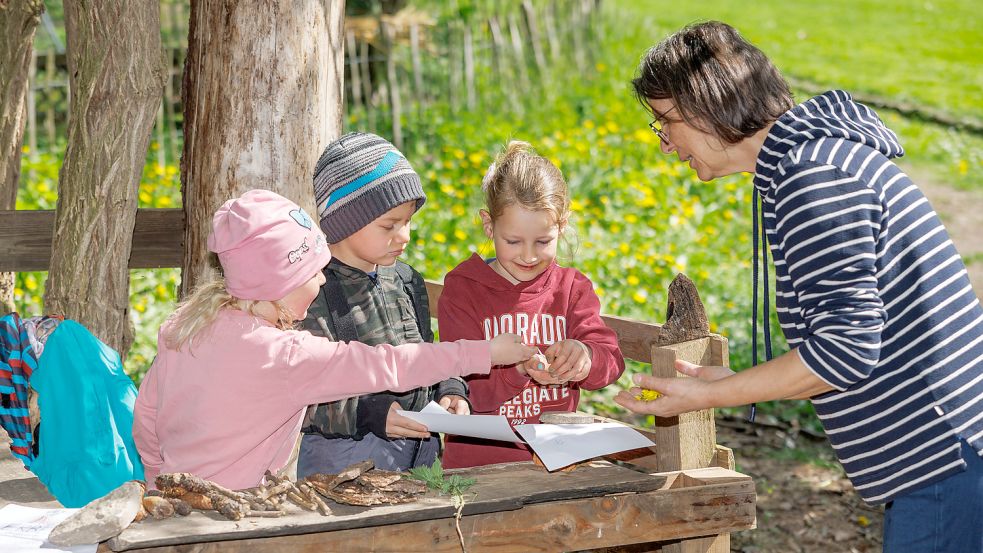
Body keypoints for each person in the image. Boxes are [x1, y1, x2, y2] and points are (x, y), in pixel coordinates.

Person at [615, 21, 983, 552]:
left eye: (666, 122)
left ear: (709, 105)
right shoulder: (815, 162)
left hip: (946, 461)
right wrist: (736, 382)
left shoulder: (812, 179)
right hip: (951, 454)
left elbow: (844, 353)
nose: (667, 145)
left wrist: (709, 393)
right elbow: (851, 342)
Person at [132, 189, 536, 490]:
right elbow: (388, 364)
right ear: (280, 282)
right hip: (233, 515)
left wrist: (156, 480)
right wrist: (485, 352)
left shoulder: (188, 324)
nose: (323, 279)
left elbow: (147, 417)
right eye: (314, 271)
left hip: (173, 498)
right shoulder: (285, 356)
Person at [439, 141, 625, 468]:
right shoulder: (464, 290)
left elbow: (610, 361)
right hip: (479, 469)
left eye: (543, 242)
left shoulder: (571, 288)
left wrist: (585, 357)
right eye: (513, 242)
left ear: (561, 227)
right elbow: (461, 386)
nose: (528, 256)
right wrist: (518, 369)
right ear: (488, 225)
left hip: (556, 465)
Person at [296, 132, 470, 477]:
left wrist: (450, 388)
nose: (404, 235)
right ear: (345, 222)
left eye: (407, 221)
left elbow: (427, 352)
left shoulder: (406, 280)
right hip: (342, 463)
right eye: (390, 225)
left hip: (421, 453)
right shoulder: (311, 292)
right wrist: (370, 413)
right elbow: (296, 391)